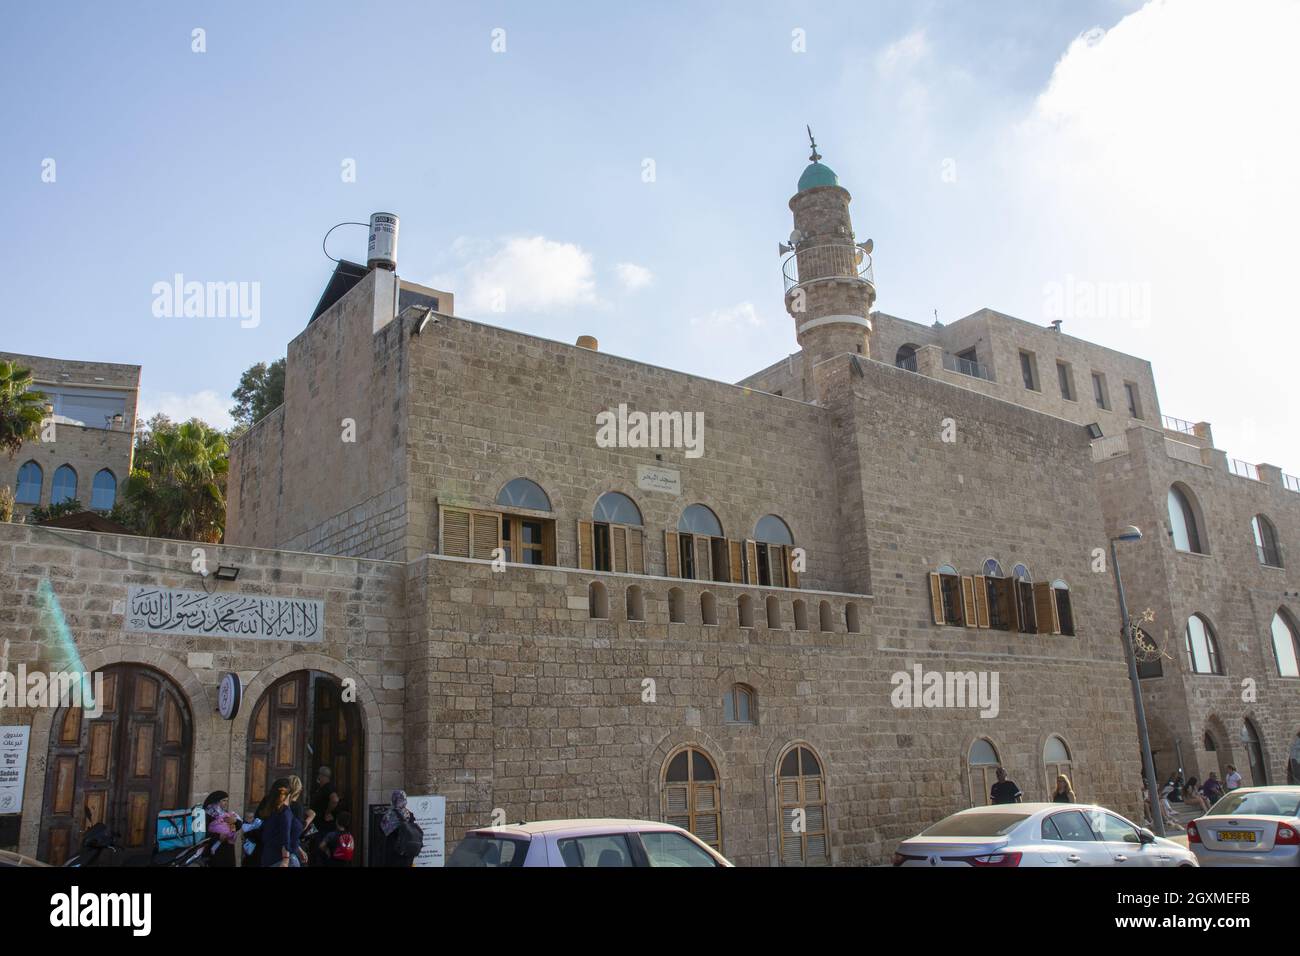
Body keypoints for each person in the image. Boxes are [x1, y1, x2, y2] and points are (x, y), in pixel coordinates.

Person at [260, 781, 303, 868]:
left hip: (269, 857)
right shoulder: (285, 812)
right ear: (289, 794)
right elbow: (285, 837)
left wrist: (299, 849)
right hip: (281, 860)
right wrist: (285, 860)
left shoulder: (271, 811)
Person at [380, 790, 422, 867]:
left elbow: (383, 831)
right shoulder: (409, 814)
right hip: (408, 852)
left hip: (395, 852)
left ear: (394, 799)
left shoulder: (390, 815)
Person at [202, 790, 240, 868]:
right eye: (223, 801)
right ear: (216, 801)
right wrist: (218, 836)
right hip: (215, 850)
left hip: (228, 849)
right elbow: (203, 832)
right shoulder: (207, 814)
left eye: (227, 801)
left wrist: (235, 821)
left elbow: (236, 826)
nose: (226, 803)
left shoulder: (224, 813)